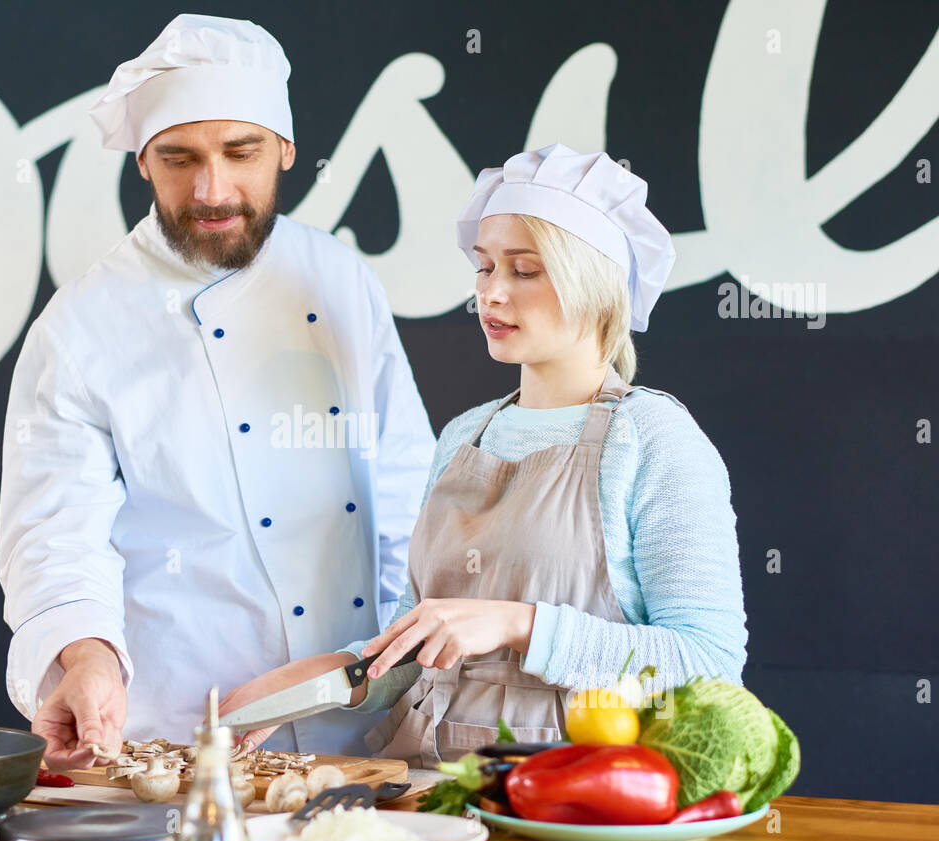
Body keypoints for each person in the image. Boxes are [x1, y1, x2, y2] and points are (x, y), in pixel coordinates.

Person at [0, 14, 435, 768]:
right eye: (179, 157)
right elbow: (55, 534)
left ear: (287, 149)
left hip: (366, 732)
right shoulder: (81, 327)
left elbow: (410, 498)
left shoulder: (341, 283)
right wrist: (84, 655)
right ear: (142, 160)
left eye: (242, 152)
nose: (212, 188)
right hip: (178, 744)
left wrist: (384, 667)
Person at [220, 144, 748, 767]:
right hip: (430, 793)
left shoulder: (655, 439)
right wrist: (326, 678)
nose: (490, 294)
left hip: (580, 797)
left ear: (597, 286)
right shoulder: (464, 435)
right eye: (484, 266)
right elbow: (425, 648)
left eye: (524, 271)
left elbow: (707, 665)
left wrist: (519, 625)